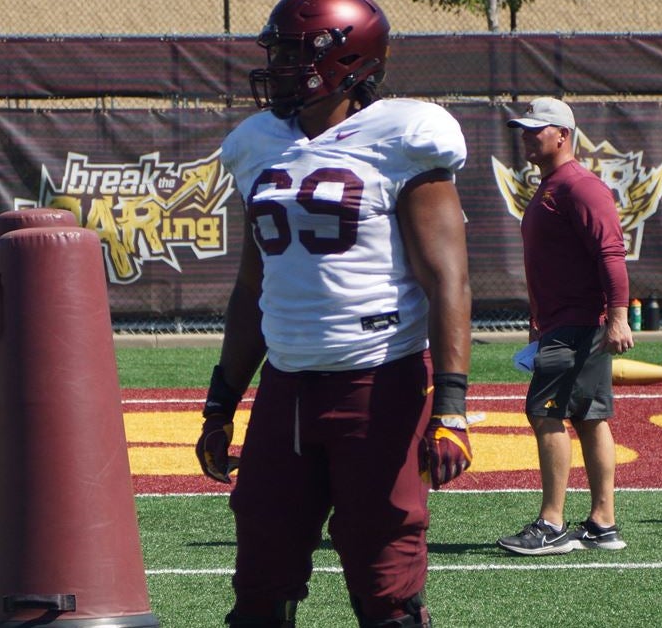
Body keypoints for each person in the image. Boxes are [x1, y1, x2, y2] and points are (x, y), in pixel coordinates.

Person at [192, 0, 473, 624]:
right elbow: (252, 287)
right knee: (261, 575)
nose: (278, 66)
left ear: (348, 59)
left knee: (385, 580)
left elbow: (446, 278)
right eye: (277, 52)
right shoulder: (259, 143)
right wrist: (220, 403)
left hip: (378, 381)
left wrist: (452, 405)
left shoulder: (403, 134)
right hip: (285, 385)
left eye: (294, 53)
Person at [495, 97, 634, 557]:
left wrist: (617, 317)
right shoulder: (553, 185)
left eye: (536, 129)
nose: (526, 136)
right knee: (589, 418)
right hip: (564, 323)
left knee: (545, 412)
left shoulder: (579, 186)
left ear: (563, 135)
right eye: (524, 129)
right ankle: (602, 524)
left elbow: (611, 253)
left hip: (578, 324)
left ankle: (552, 524)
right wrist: (538, 326)